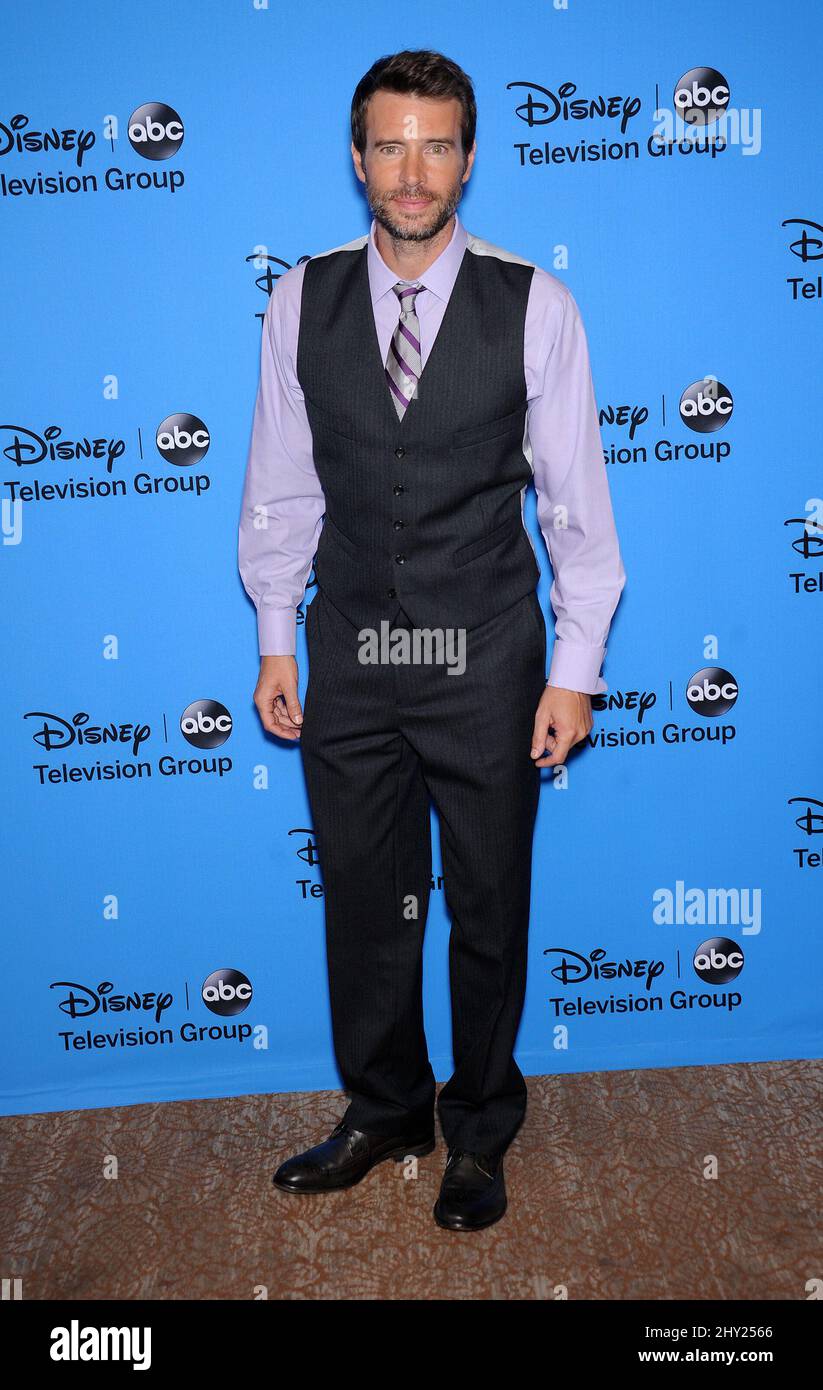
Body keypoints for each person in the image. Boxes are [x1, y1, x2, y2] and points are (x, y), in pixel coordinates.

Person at [237, 49, 626, 1231]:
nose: (413, 172)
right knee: (365, 892)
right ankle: (385, 1105)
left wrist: (574, 671)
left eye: (437, 144)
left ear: (467, 158)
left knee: (488, 899)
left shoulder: (535, 304)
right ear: (358, 159)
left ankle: (479, 1127)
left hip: (487, 655)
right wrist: (274, 633)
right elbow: (280, 486)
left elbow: (575, 510)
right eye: (391, 145)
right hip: (353, 649)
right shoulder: (300, 298)